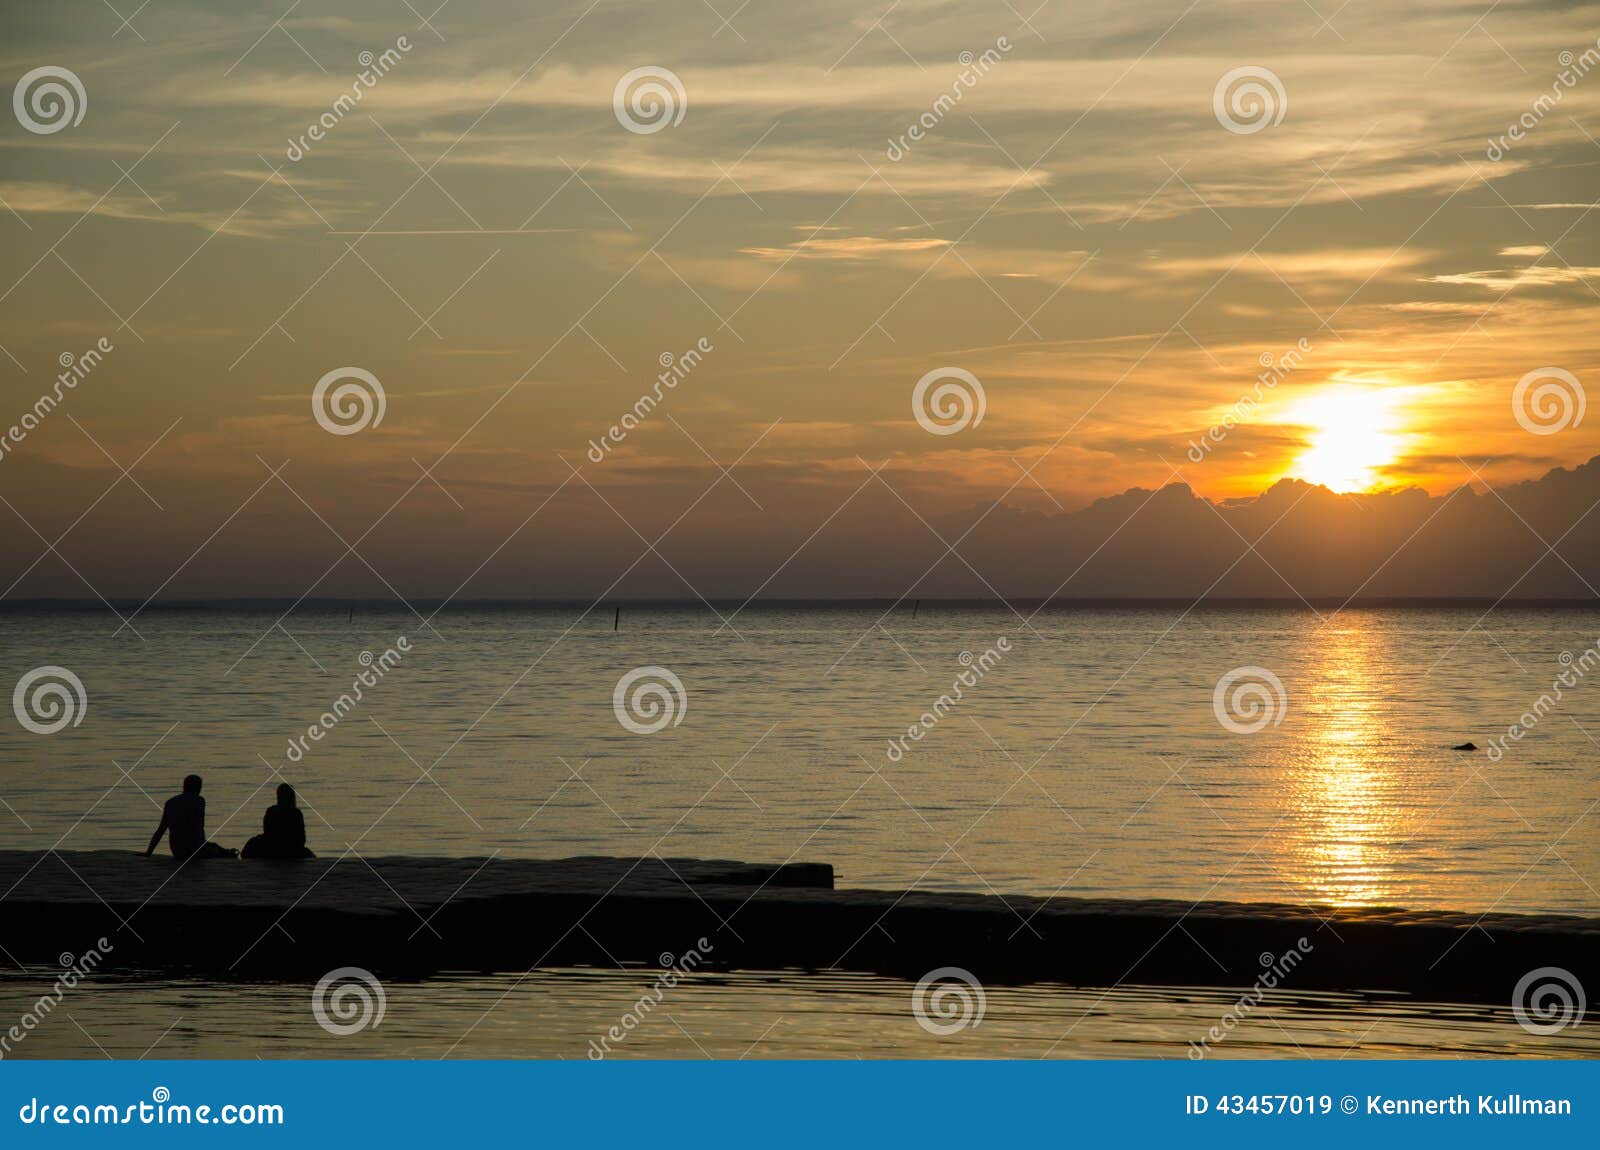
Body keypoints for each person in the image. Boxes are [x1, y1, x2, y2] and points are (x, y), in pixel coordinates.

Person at [144, 775, 236, 860]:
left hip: (177, 850)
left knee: (214, 846)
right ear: (198, 787)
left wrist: (149, 852)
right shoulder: (199, 800)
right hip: (194, 850)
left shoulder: (171, 802)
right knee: (222, 853)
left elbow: (161, 829)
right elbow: (198, 828)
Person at [241, 783, 315, 860]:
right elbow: (301, 839)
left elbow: (267, 832)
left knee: (253, 843)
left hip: (273, 848)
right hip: (292, 849)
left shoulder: (271, 811)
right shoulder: (296, 813)